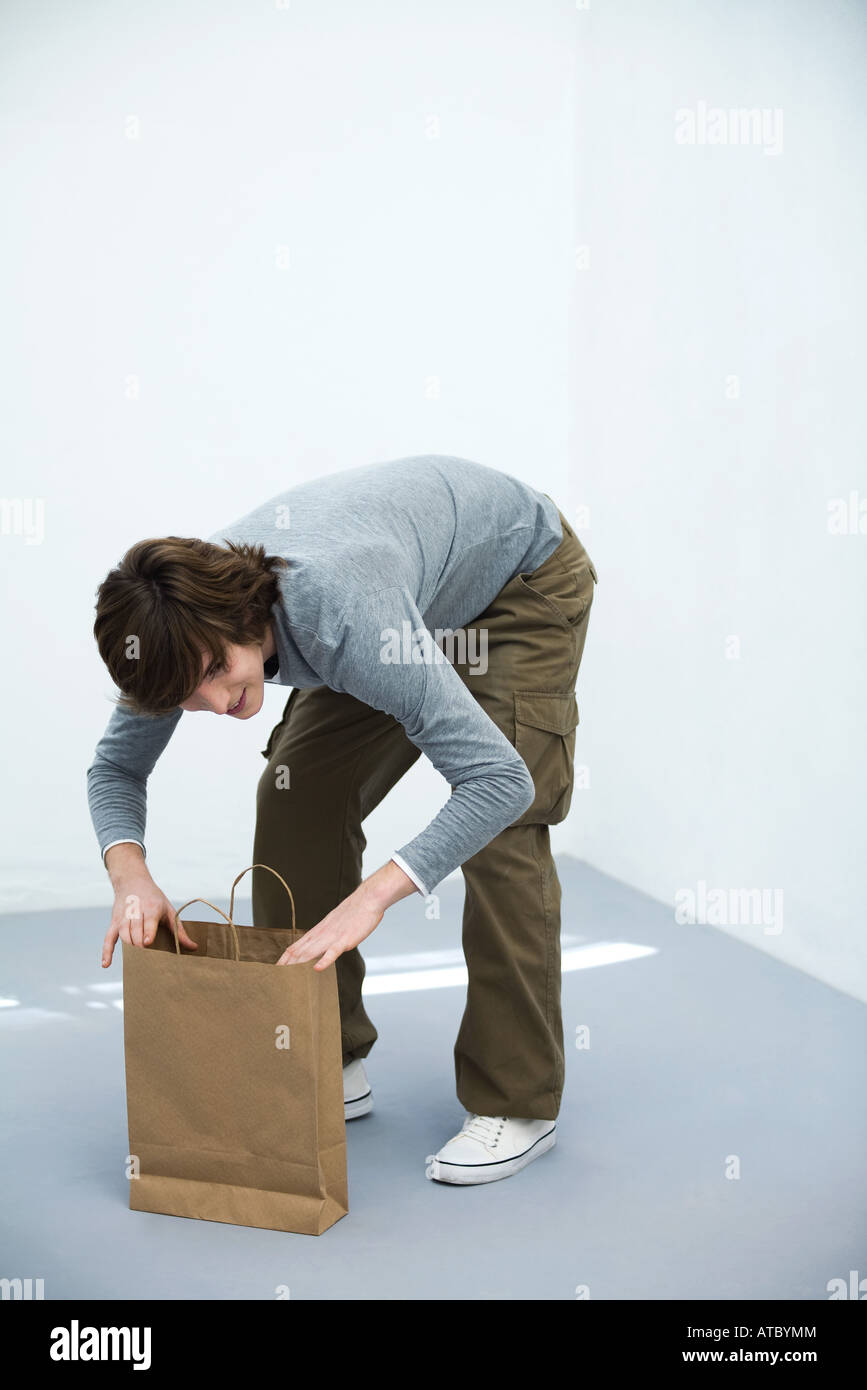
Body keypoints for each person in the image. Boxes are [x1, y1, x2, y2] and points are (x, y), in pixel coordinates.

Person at [88, 453, 597, 1185]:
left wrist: (373, 898)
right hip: (405, 602)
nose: (208, 704)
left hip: (514, 583)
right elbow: (114, 767)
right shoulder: (169, 640)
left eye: (211, 676)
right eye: (184, 701)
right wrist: (128, 873)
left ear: (242, 617)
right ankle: (332, 1051)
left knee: (503, 833)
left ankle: (517, 1101)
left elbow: (497, 782)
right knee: (297, 795)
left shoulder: (340, 612)